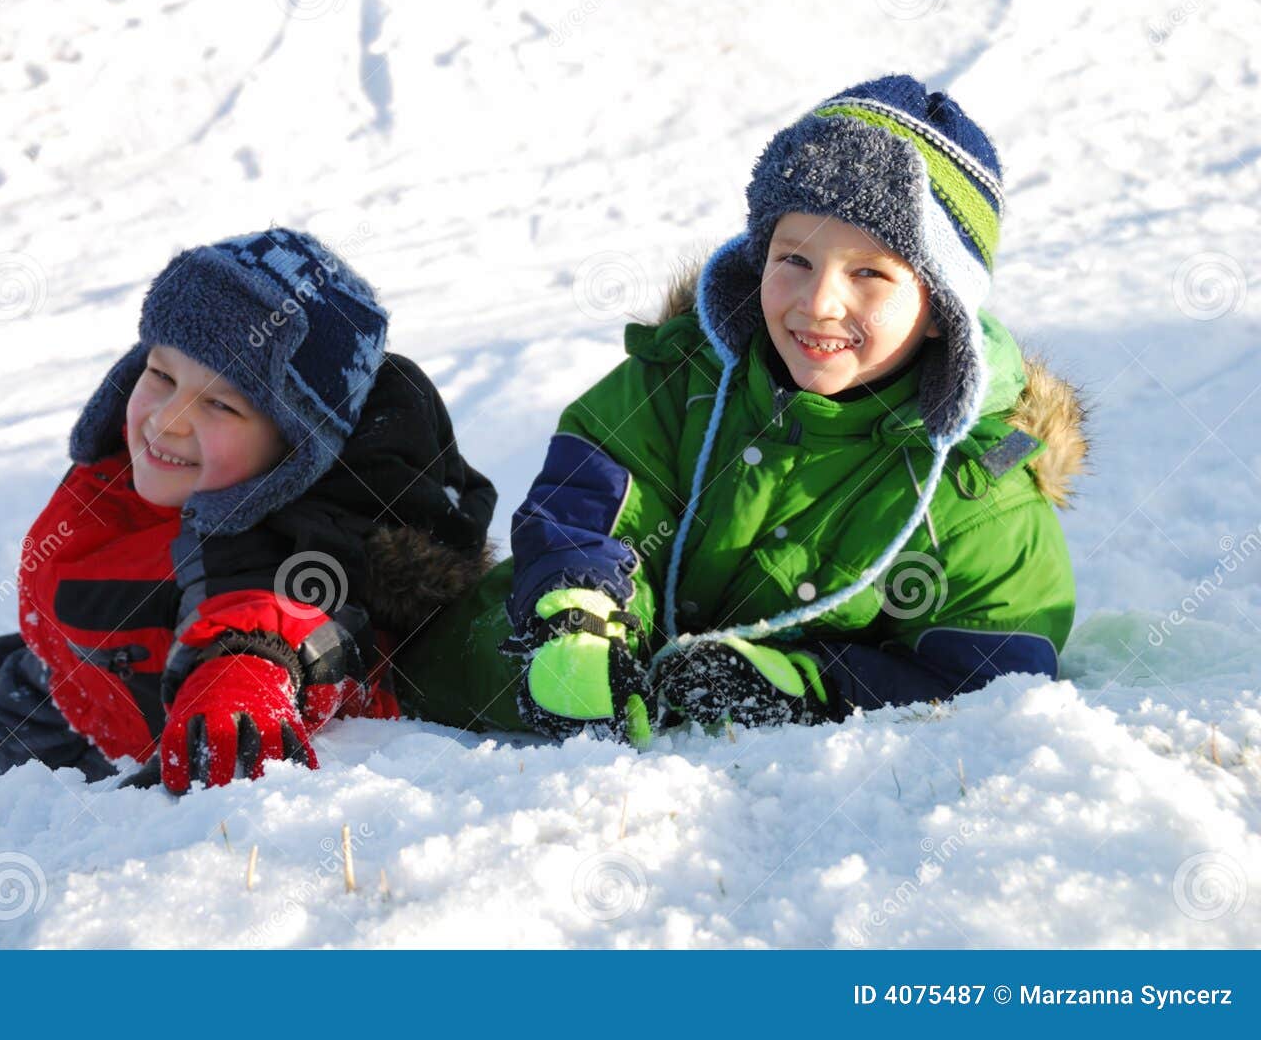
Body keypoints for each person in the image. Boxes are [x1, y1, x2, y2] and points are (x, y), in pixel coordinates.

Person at [396, 75, 1088, 744]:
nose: (819, 302)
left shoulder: (978, 492)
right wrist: (574, 618)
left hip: (762, 793)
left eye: (868, 272)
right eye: (795, 259)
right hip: (523, 681)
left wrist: (807, 685)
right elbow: (586, 505)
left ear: (942, 309)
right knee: (449, 659)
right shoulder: (681, 378)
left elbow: (988, 676)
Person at [0, 228, 496, 792]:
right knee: (1, 685)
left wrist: (244, 672)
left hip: (191, 723)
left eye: (220, 404)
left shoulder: (298, 547)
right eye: (161, 375)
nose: (168, 420)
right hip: (75, 686)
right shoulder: (122, 473)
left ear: (294, 452)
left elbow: (284, 616)